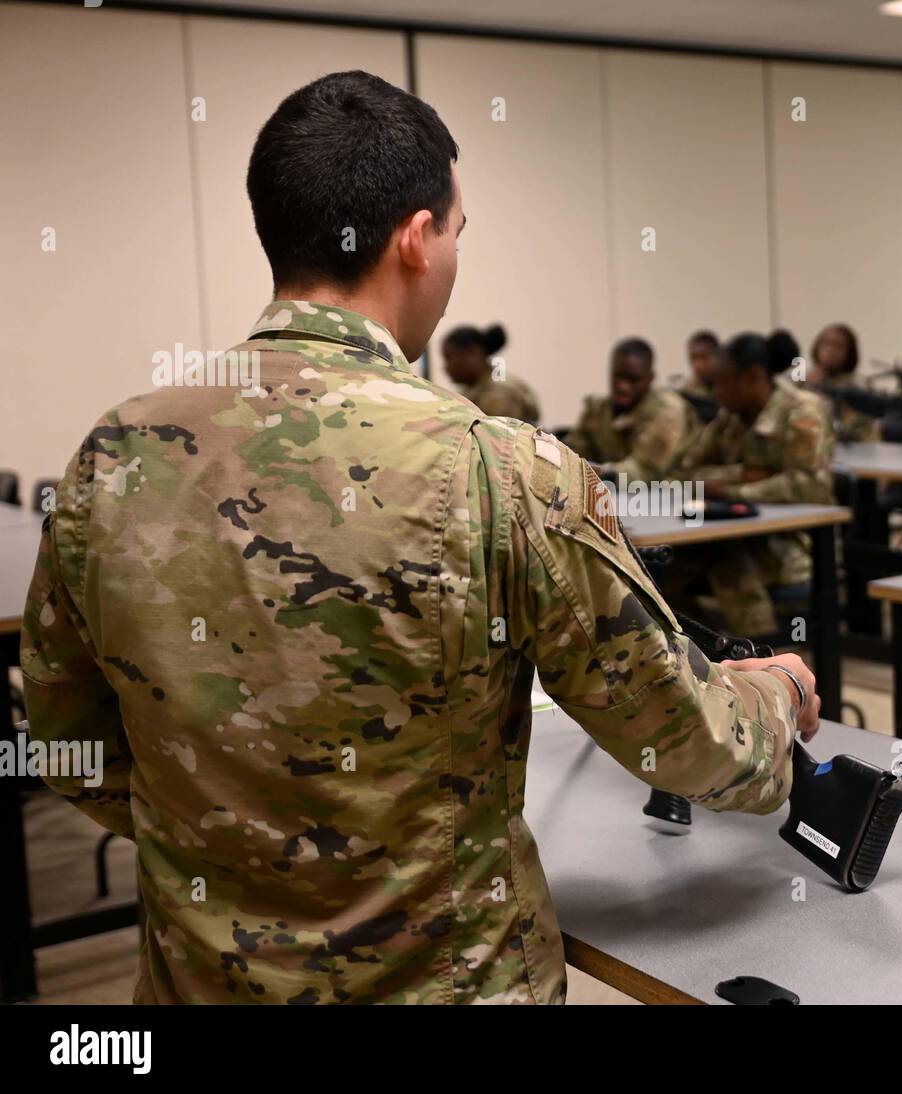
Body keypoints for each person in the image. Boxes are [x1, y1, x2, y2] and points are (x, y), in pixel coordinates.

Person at [20, 70, 818, 1007]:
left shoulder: (113, 454)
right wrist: (774, 697)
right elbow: (686, 744)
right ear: (415, 237)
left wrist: (223, 838)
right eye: (457, 231)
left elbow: (63, 743)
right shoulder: (500, 468)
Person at [673, 332, 835, 636]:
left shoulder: (803, 412)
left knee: (728, 565)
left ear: (753, 378)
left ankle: (761, 660)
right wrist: (741, 473)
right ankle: (694, 649)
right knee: (660, 566)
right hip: (729, 533)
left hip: (793, 544)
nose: (717, 391)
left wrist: (730, 490)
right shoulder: (731, 416)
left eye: (723, 382)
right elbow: (686, 471)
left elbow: (807, 486)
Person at [564, 337, 698, 481]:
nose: (623, 386)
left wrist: (596, 471)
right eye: (618, 376)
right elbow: (574, 451)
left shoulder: (668, 411)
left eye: (633, 379)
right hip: (613, 492)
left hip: (663, 494)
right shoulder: (599, 409)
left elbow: (644, 470)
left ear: (650, 378)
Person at [441, 323, 541, 423]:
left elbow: (498, 435)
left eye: (449, 358)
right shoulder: (473, 389)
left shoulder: (499, 392)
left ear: (474, 352)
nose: (445, 367)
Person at [809, 322, 877, 442]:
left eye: (838, 346)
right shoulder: (805, 379)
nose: (830, 350)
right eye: (825, 343)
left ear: (849, 353)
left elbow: (849, 431)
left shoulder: (857, 386)